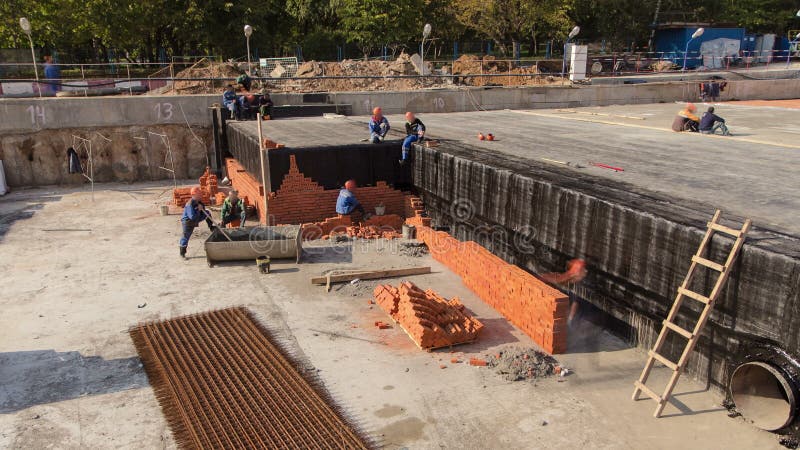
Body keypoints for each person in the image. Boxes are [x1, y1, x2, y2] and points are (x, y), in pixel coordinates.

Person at [540, 258, 587, 326]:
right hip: (572, 279)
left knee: (575, 299)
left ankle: (570, 320)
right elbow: (562, 278)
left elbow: (575, 302)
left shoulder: (577, 280)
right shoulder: (575, 268)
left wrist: (570, 319)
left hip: (574, 281)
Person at [179, 187, 216, 258]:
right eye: (199, 194)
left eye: (200, 194)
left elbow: (203, 211)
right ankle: (182, 253)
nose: (201, 195)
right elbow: (192, 217)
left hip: (196, 218)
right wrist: (199, 210)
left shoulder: (199, 202)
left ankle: (211, 227)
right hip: (188, 222)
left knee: (207, 213)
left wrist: (202, 210)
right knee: (186, 236)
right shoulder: (189, 204)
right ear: (194, 195)